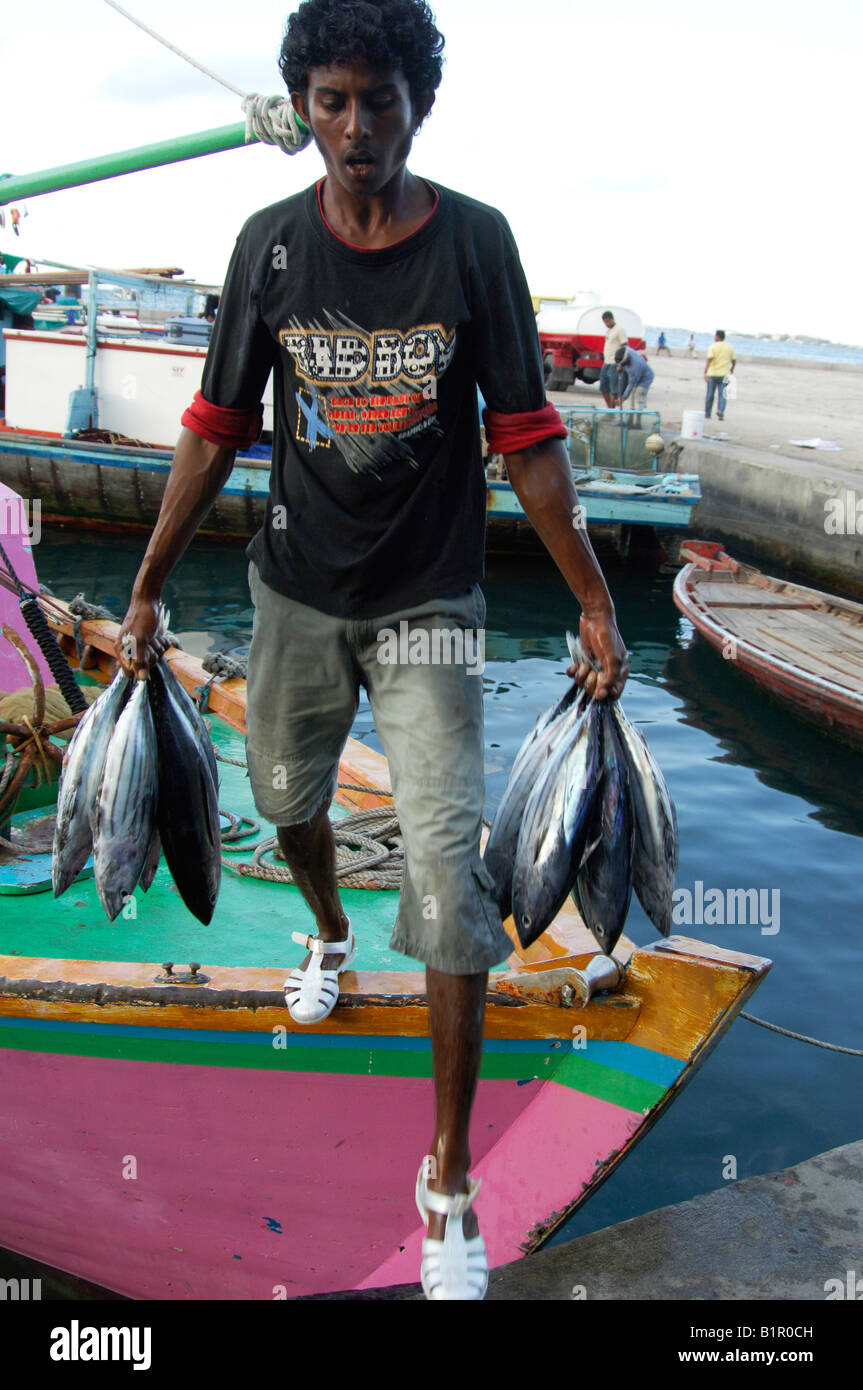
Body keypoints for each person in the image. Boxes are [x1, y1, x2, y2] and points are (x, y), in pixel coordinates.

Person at [116, 0, 628, 1302]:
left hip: (429, 601)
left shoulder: (474, 243)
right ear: (302, 107)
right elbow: (213, 422)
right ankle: (331, 934)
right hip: (292, 590)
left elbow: (526, 438)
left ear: (418, 105)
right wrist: (145, 583)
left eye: (378, 102)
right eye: (331, 102)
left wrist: (591, 600)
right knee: (284, 801)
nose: (355, 129)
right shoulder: (269, 247)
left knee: (451, 877)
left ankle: (447, 1172)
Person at [704, 329, 736, 420]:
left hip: (713, 374)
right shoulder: (729, 347)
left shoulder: (713, 346)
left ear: (717, 336)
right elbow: (733, 360)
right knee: (722, 395)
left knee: (710, 394)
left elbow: (709, 360)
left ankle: (707, 414)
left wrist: (705, 372)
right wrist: (732, 368)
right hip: (724, 375)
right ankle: (720, 410)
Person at [614, 344, 654, 414]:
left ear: (627, 359)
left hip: (646, 377)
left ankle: (638, 416)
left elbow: (631, 384)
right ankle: (632, 412)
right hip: (638, 373)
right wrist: (620, 366)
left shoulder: (635, 367)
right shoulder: (626, 349)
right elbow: (626, 346)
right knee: (632, 395)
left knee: (639, 395)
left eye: (623, 363)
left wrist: (623, 398)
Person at [599, 310, 628, 406]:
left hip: (614, 362)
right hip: (606, 362)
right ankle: (609, 407)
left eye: (608, 321)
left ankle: (612, 409)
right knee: (603, 387)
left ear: (612, 319)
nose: (606, 324)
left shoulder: (619, 329)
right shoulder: (608, 331)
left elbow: (624, 345)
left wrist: (621, 362)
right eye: (605, 322)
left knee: (614, 389)